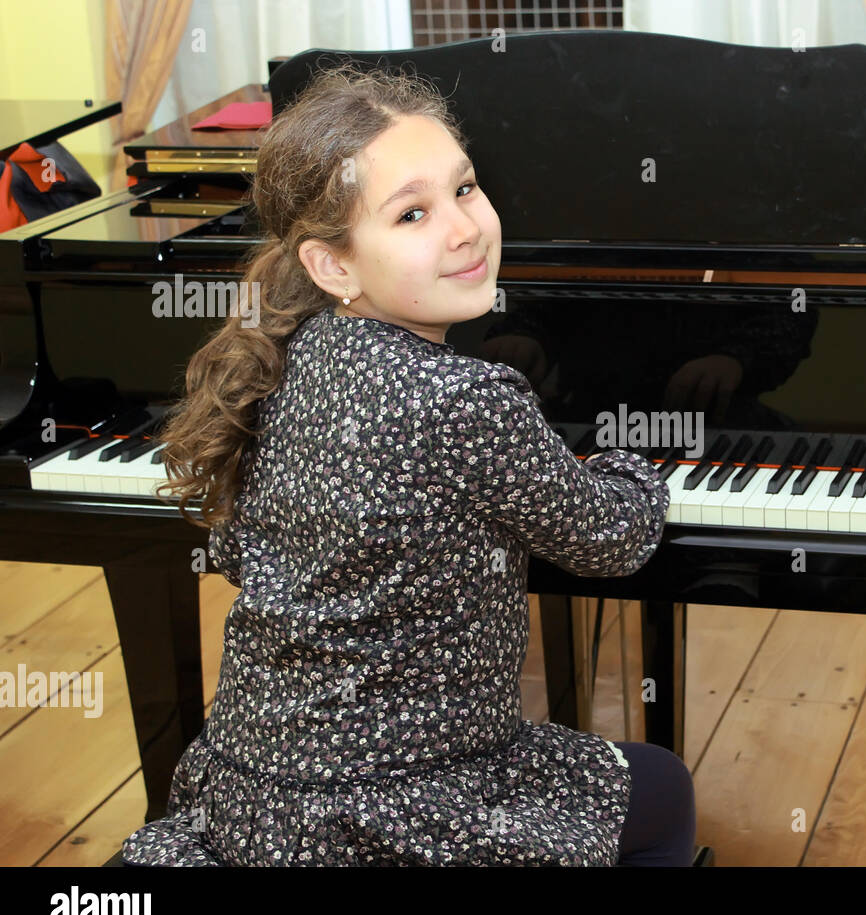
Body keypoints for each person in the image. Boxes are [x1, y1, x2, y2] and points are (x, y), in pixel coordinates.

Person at [119, 62, 695, 866]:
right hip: (383, 811)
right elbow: (611, 540)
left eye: (465, 189)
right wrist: (633, 463)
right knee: (664, 786)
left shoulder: (284, 353)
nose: (463, 229)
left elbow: (235, 551)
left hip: (250, 792)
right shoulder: (463, 397)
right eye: (413, 213)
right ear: (333, 265)